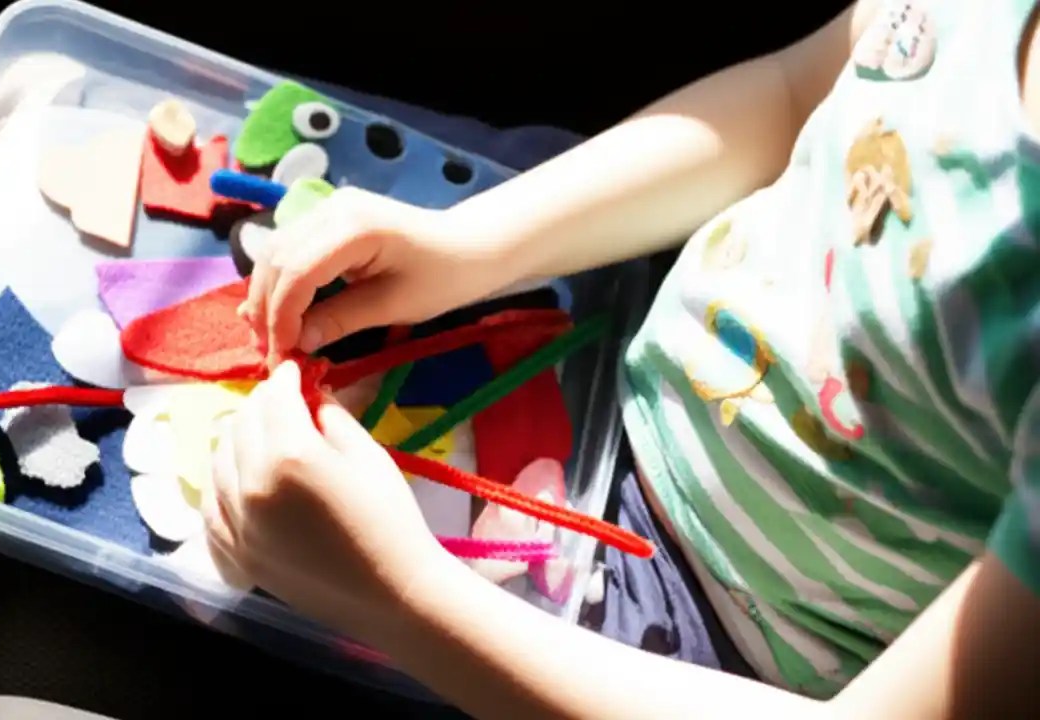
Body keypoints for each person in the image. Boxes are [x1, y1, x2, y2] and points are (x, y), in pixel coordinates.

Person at [209, 0, 1040, 717]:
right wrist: (473, 243)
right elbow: (797, 95)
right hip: (624, 322)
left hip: (704, 646)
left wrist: (400, 597)